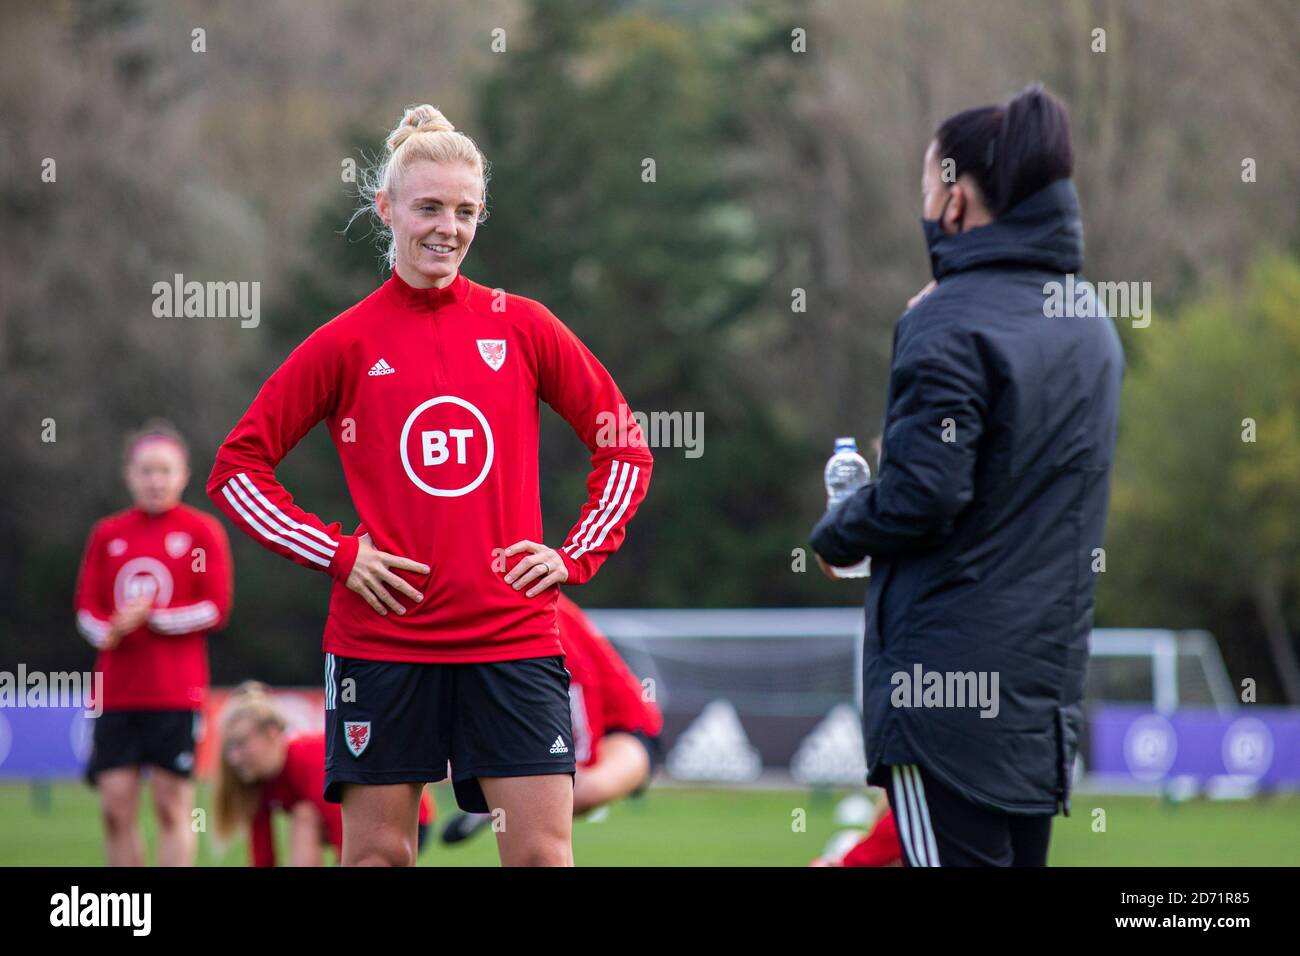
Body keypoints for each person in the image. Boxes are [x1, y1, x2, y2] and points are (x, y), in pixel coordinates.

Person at [206, 104, 653, 867]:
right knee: (379, 857)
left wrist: (574, 555)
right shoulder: (345, 341)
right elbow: (237, 469)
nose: (448, 227)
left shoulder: (523, 326)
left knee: (542, 857)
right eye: (429, 208)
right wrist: (340, 554)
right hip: (382, 646)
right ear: (386, 209)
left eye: (465, 211)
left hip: (512, 640)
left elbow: (625, 447)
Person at [810, 84, 1123, 866]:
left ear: (955, 201)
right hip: (1040, 697)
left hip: (942, 702)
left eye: (926, 187)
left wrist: (838, 531)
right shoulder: (1088, 321)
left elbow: (924, 493)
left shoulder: (948, 318)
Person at [74, 419, 233, 866]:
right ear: (130, 475)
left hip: (176, 692)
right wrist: (110, 629)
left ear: (183, 475)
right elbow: (86, 609)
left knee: (172, 806)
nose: (155, 481)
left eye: (165, 471)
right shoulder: (108, 534)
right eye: (146, 471)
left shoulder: (202, 531)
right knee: (115, 808)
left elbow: (215, 608)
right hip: (115, 692)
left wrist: (154, 617)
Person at [440, 592, 663, 845]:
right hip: (550, 723)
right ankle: (496, 805)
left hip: (625, 727)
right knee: (547, 797)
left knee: (581, 791)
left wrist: (582, 760)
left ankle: (491, 810)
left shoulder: (535, 604)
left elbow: (580, 682)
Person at [213, 682, 435, 866]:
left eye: (241, 744)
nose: (234, 758)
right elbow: (263, 855)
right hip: (361, 825)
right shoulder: (258, 780)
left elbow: (342, 822)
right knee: (304, 814)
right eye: (230, 747)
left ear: (271, 733)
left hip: (404, 817)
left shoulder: (305, 758)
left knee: (305, 814)